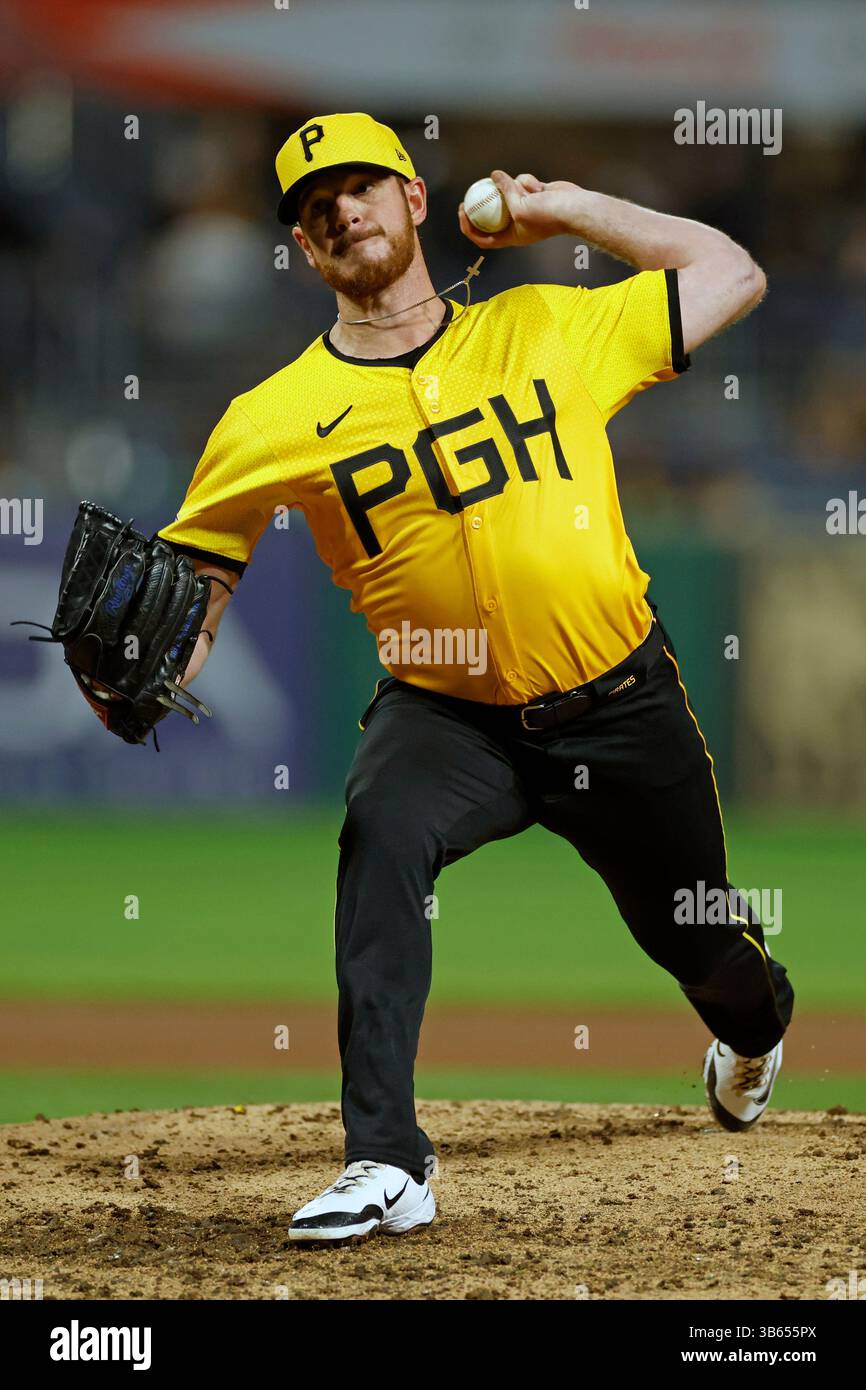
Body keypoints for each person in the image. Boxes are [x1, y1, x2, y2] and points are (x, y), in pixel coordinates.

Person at [157, 113, 794, 1245]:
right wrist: (150, 675)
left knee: (697, 941)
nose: (338, 211)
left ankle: (751, 1030)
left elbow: (729, 271)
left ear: (412, 200)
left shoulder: (546, 323)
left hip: (617, 701)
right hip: (444, 714)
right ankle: (385, 1161)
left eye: (358, 187)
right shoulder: (266, 421)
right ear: (304, 250)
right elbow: (197, 591)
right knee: (379, 828)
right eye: (314, 208)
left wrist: (564, 210)